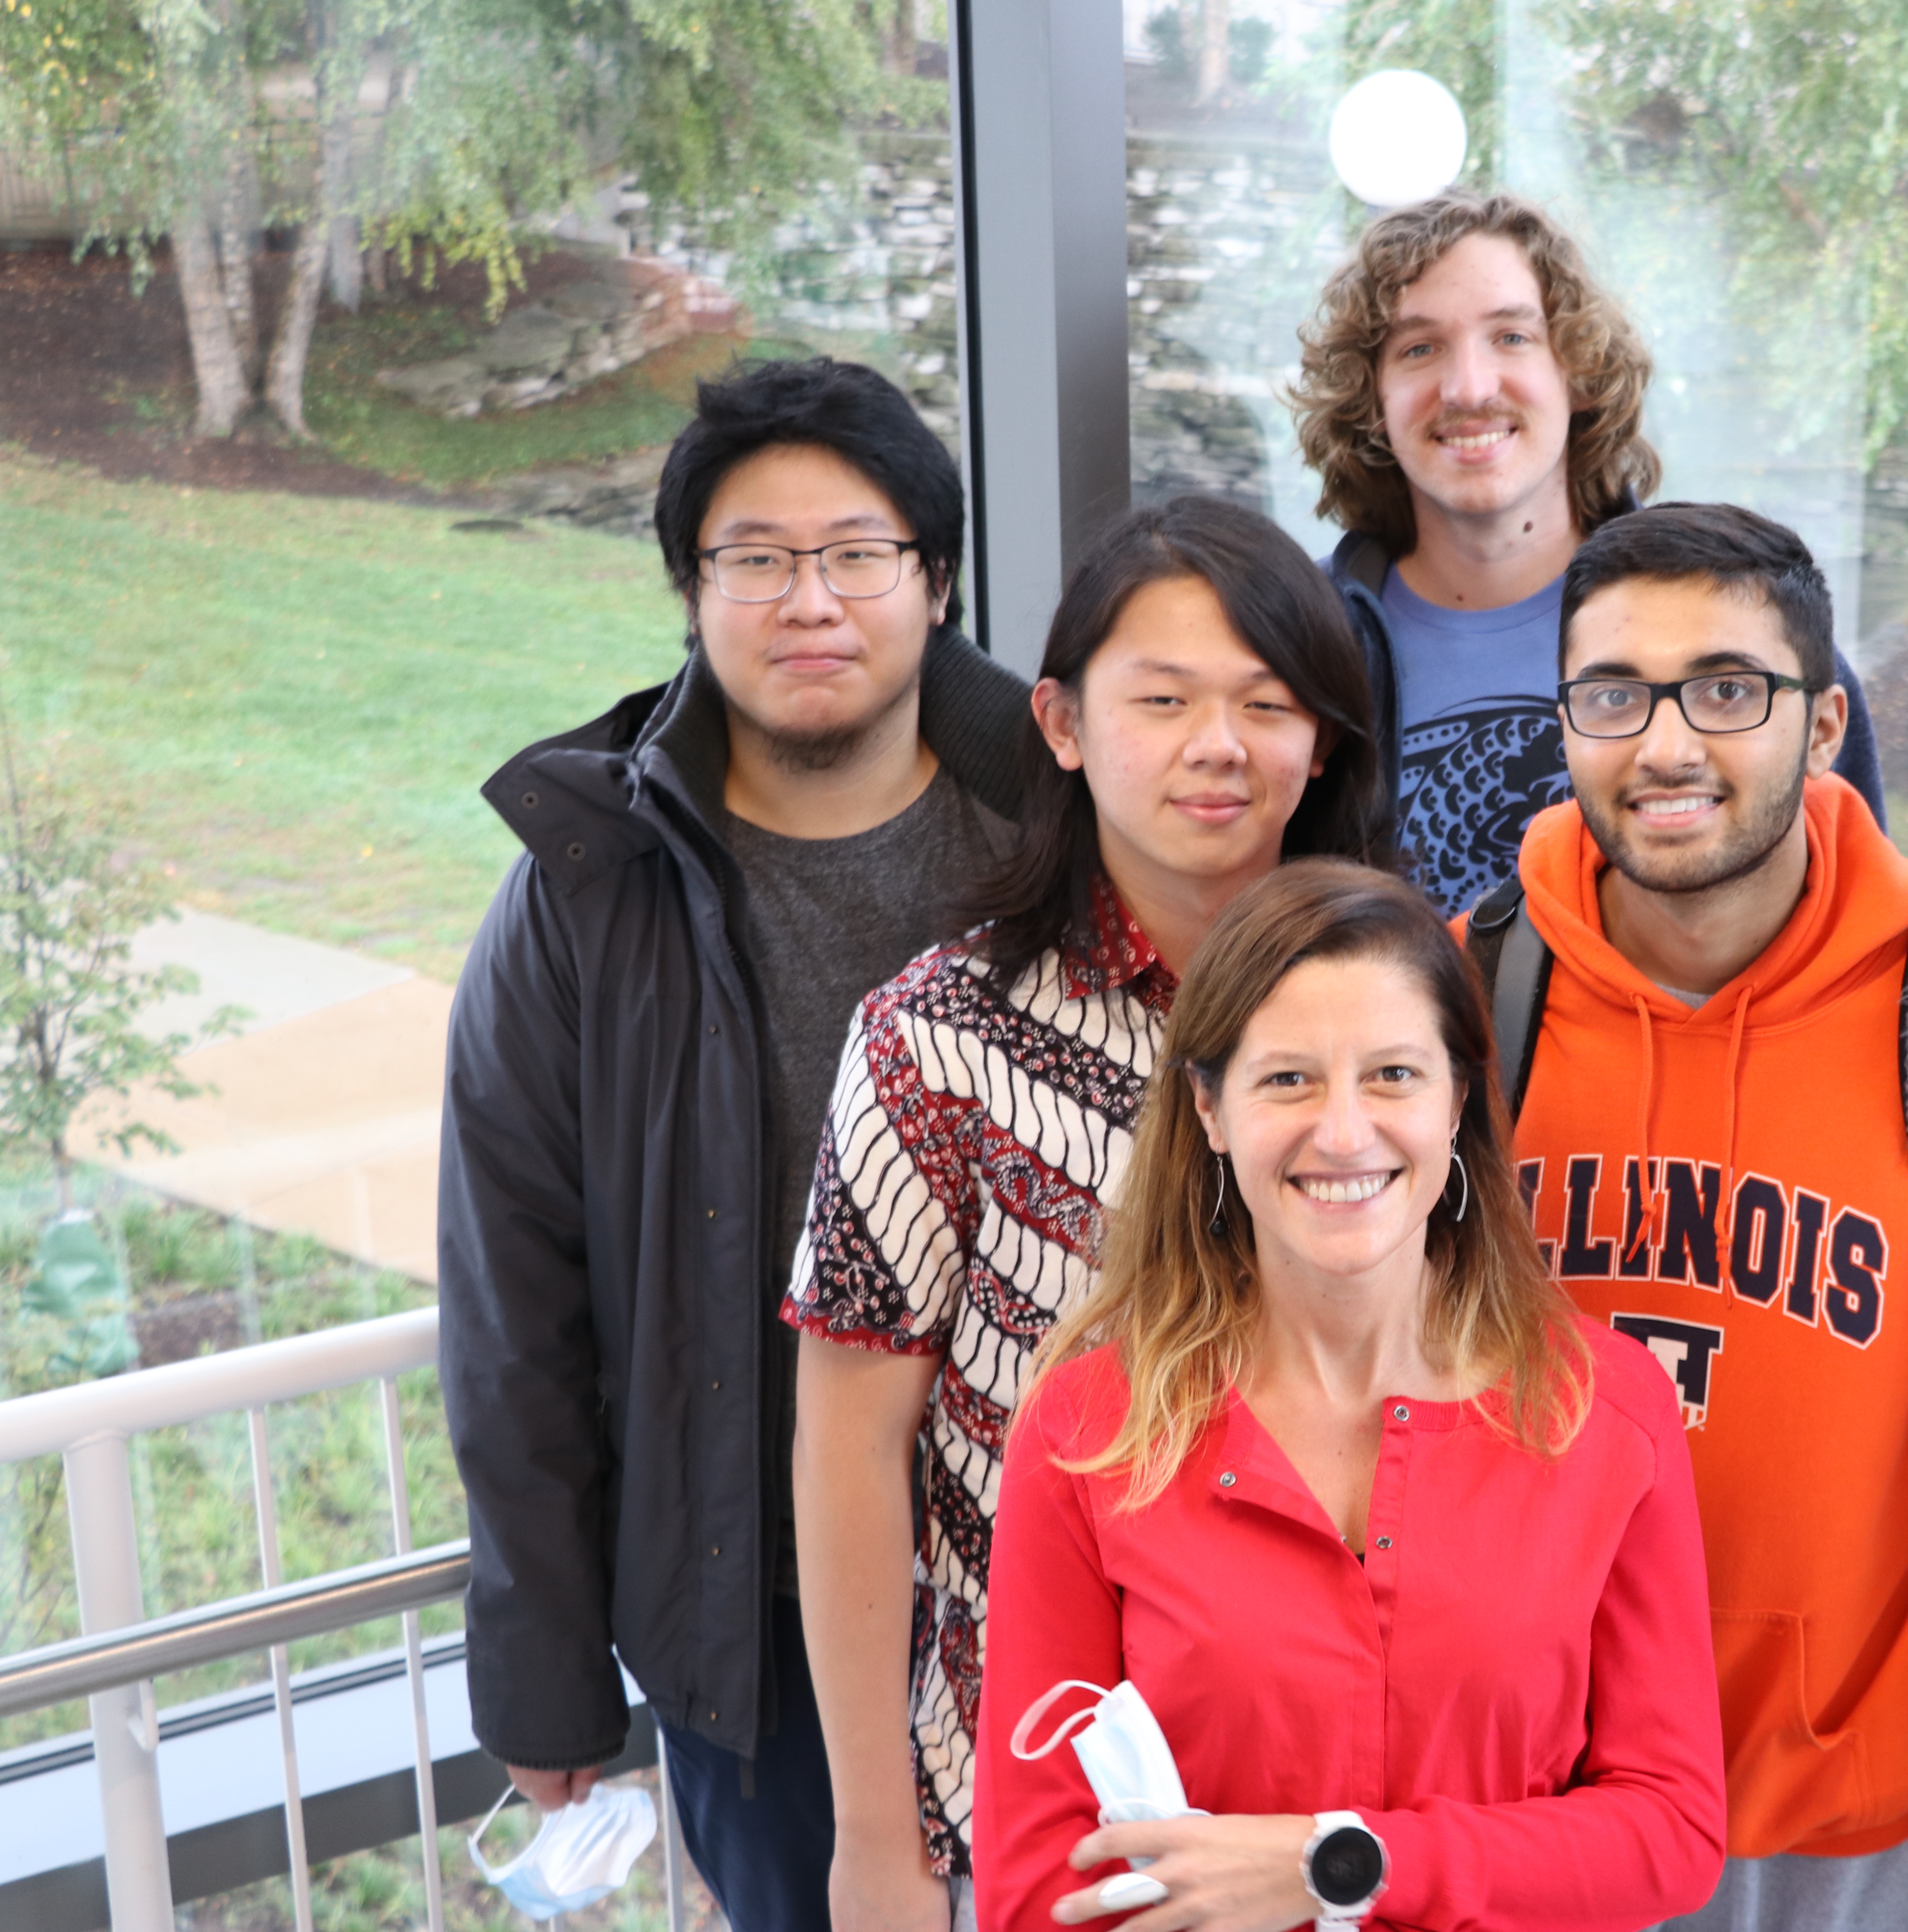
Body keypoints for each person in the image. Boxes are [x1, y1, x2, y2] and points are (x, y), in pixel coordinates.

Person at [437, 355, 1034, 1929]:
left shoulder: (1066, 832)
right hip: (756, 1612)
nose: (808, 599)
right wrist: (547, 1678)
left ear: (936, 579)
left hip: (1076, 1578)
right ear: (693, 592)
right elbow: (517, 1315)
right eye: (755, 559)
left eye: (856, 553)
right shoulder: (588, 891)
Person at [1477, 502, 1908, 1930]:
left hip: (1852, 1841)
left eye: (1727, 689)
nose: (1664, 745)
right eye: (1613, 694)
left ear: (1825, 722)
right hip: (1527, 1809)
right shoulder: (1472, 1004)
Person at [783, 497, 1393, 1932]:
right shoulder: (933, 1040)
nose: (1219, 746)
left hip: (1350, 1784)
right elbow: (852, 1449)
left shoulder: (1415, 1012)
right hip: (1051, 1787)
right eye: (1164, 698)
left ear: (1324, 740)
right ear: (1061, 722)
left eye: (1266, 701)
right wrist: (878, 1838)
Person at [971, 859, 1729, 1932]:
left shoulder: (1608, 1408)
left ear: (1459, 1100)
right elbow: (1037, 1884)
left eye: (1392, 1075)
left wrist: (1345, 1861)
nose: (1342, 1132)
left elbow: (1671, 1832)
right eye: (1287, 1079)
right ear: (1210, 1106)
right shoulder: (1088, 1434)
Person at [1287, 188, 1887, 915]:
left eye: (1512, 338)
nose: (1470, 386)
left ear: (1577, 371)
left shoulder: (1751, 632)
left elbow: (1853, 928)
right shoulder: (1299, 648)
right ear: (1371, 399)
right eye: (1419, 348)